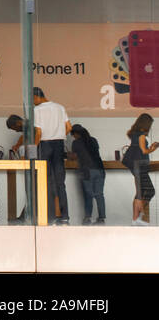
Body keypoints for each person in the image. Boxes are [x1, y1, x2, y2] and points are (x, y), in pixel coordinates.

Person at [33, 87, 71, 225]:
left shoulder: (37, 110)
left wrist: (34, 147)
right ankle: (65, 216)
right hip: (59, 145)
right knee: (60, 183)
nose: (33, 103)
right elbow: (69, 127)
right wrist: (59, 136)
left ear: (35, 97)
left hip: (45, 145)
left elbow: (38, 132)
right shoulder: (60, 107)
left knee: (46, 181)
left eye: (33, 100)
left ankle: (49, 216)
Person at [69, 123, 106, 225]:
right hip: (100, 169)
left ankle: (87, 218)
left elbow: (75, 156)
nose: (73, 137)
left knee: (88, 195)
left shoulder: (76, 143)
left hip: (87, 171)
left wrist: (68, 155)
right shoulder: (93, 140)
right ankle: (101, 219)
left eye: (73, 135)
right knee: (99, 195)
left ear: (75, 134)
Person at [124, 113, 156, 225]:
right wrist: (153, 148)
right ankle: (138, 217)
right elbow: (144, 151)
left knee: (140, 192)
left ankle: (135, 219)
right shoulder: (141, 135)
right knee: (149, 191)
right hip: (139, 164)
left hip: (135, 164)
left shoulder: (134, 134)